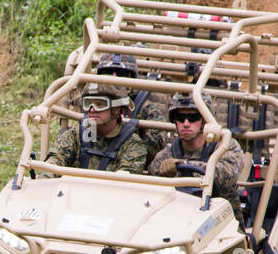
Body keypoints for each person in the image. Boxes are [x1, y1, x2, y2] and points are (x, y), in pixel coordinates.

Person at [148, 95, 245, 226]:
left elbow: (229, 174)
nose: (186, 124)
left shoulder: (225, 146)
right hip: (176, 223)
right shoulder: (167, 154)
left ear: (205, 121)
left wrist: (185, 165)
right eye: (181, 119)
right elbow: (151, 185)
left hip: (222, 226)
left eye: (193, 118)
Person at [42, 80, 149, 174]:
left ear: (116, 109)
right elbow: (54, 161)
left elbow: (124, 182)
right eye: (88, 103)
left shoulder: (133, 145)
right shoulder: (76, 135)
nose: (92, 109)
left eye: (100, 104)